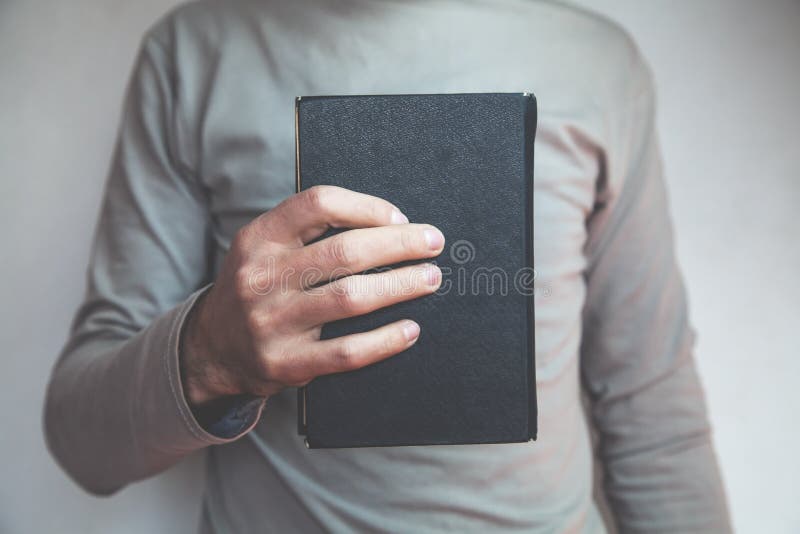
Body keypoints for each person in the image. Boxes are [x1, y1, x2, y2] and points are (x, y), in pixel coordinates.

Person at [43, 0, 732, 532]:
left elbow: (649, 399)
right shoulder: (191, 53)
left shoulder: (597, 63)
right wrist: (209, 355)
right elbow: (80, 445)